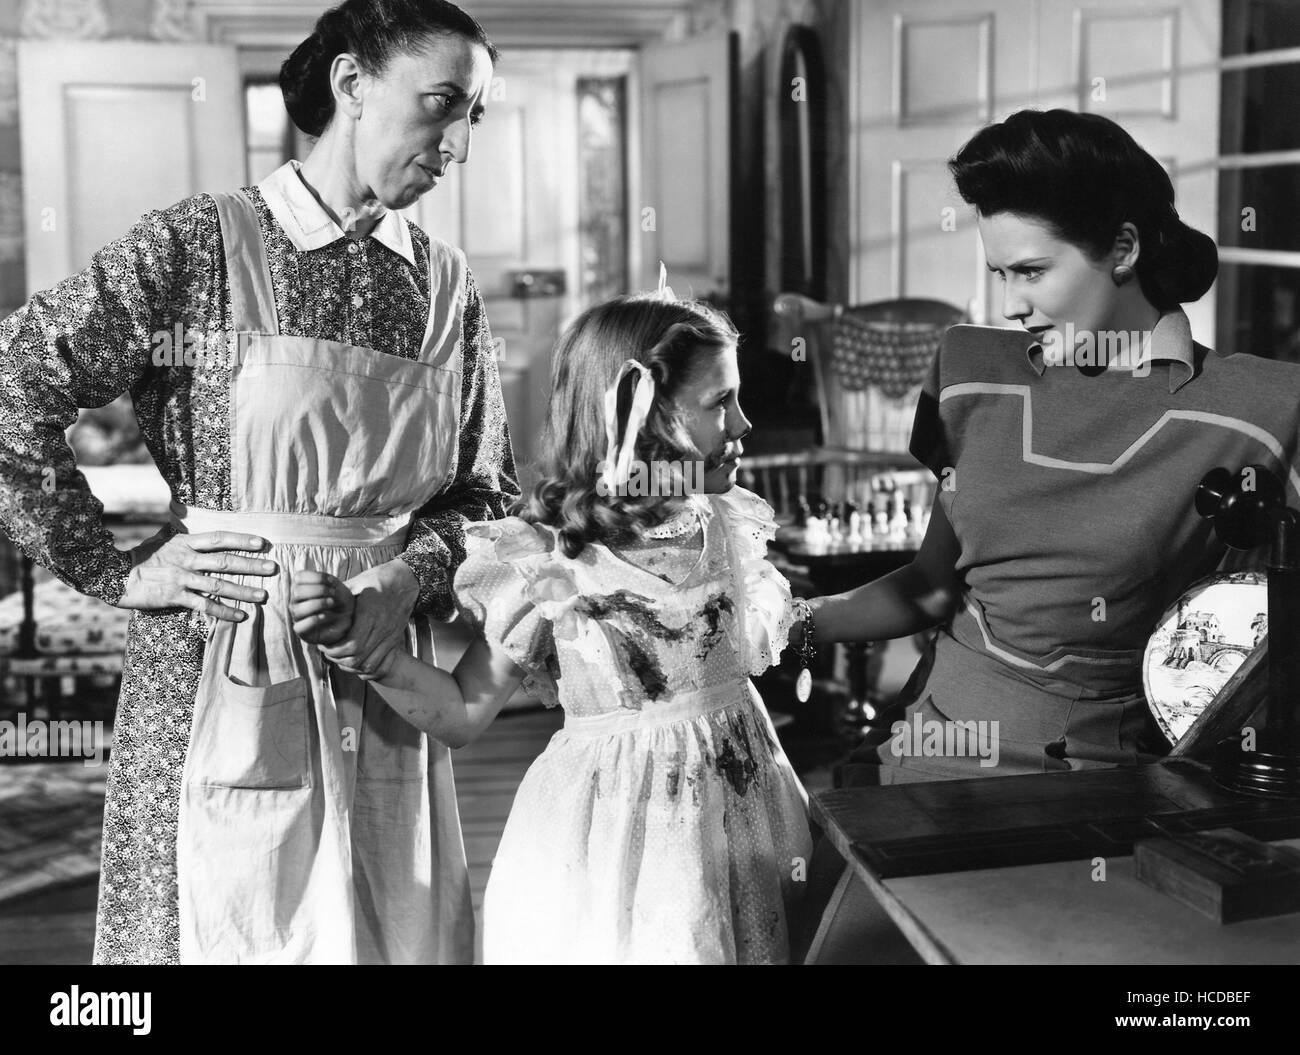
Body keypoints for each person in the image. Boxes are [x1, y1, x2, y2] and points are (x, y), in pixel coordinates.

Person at [0, 0, 517, 964]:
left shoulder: (447, 289)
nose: (457, 142)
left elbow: (485, 499)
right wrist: (113, 570)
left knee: (391, 931)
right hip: (223, 656)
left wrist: (400, 582)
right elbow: (13, 378)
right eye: (442, 103)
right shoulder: (199, 246)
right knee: (223, 927)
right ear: (352, 85)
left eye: (474, 116)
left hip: (382, 669)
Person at [795, 108, 1300, 960]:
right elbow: (928, 586)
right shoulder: (965, 370)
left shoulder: (1262, 408)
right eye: (1000, 274)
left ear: (1125, 249)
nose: (1013, 303)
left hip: (1103, 802)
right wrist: (782, 623)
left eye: (1032, 271)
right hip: (925, 766)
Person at [291, 293, 814, 964]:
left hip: (742, 817)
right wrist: (370, 654)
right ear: (643, 416)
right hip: (615, 846)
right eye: (721, 402)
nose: (744, 421)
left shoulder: (727, 526)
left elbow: (768, 636)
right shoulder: (551, 557)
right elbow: (462, 710)